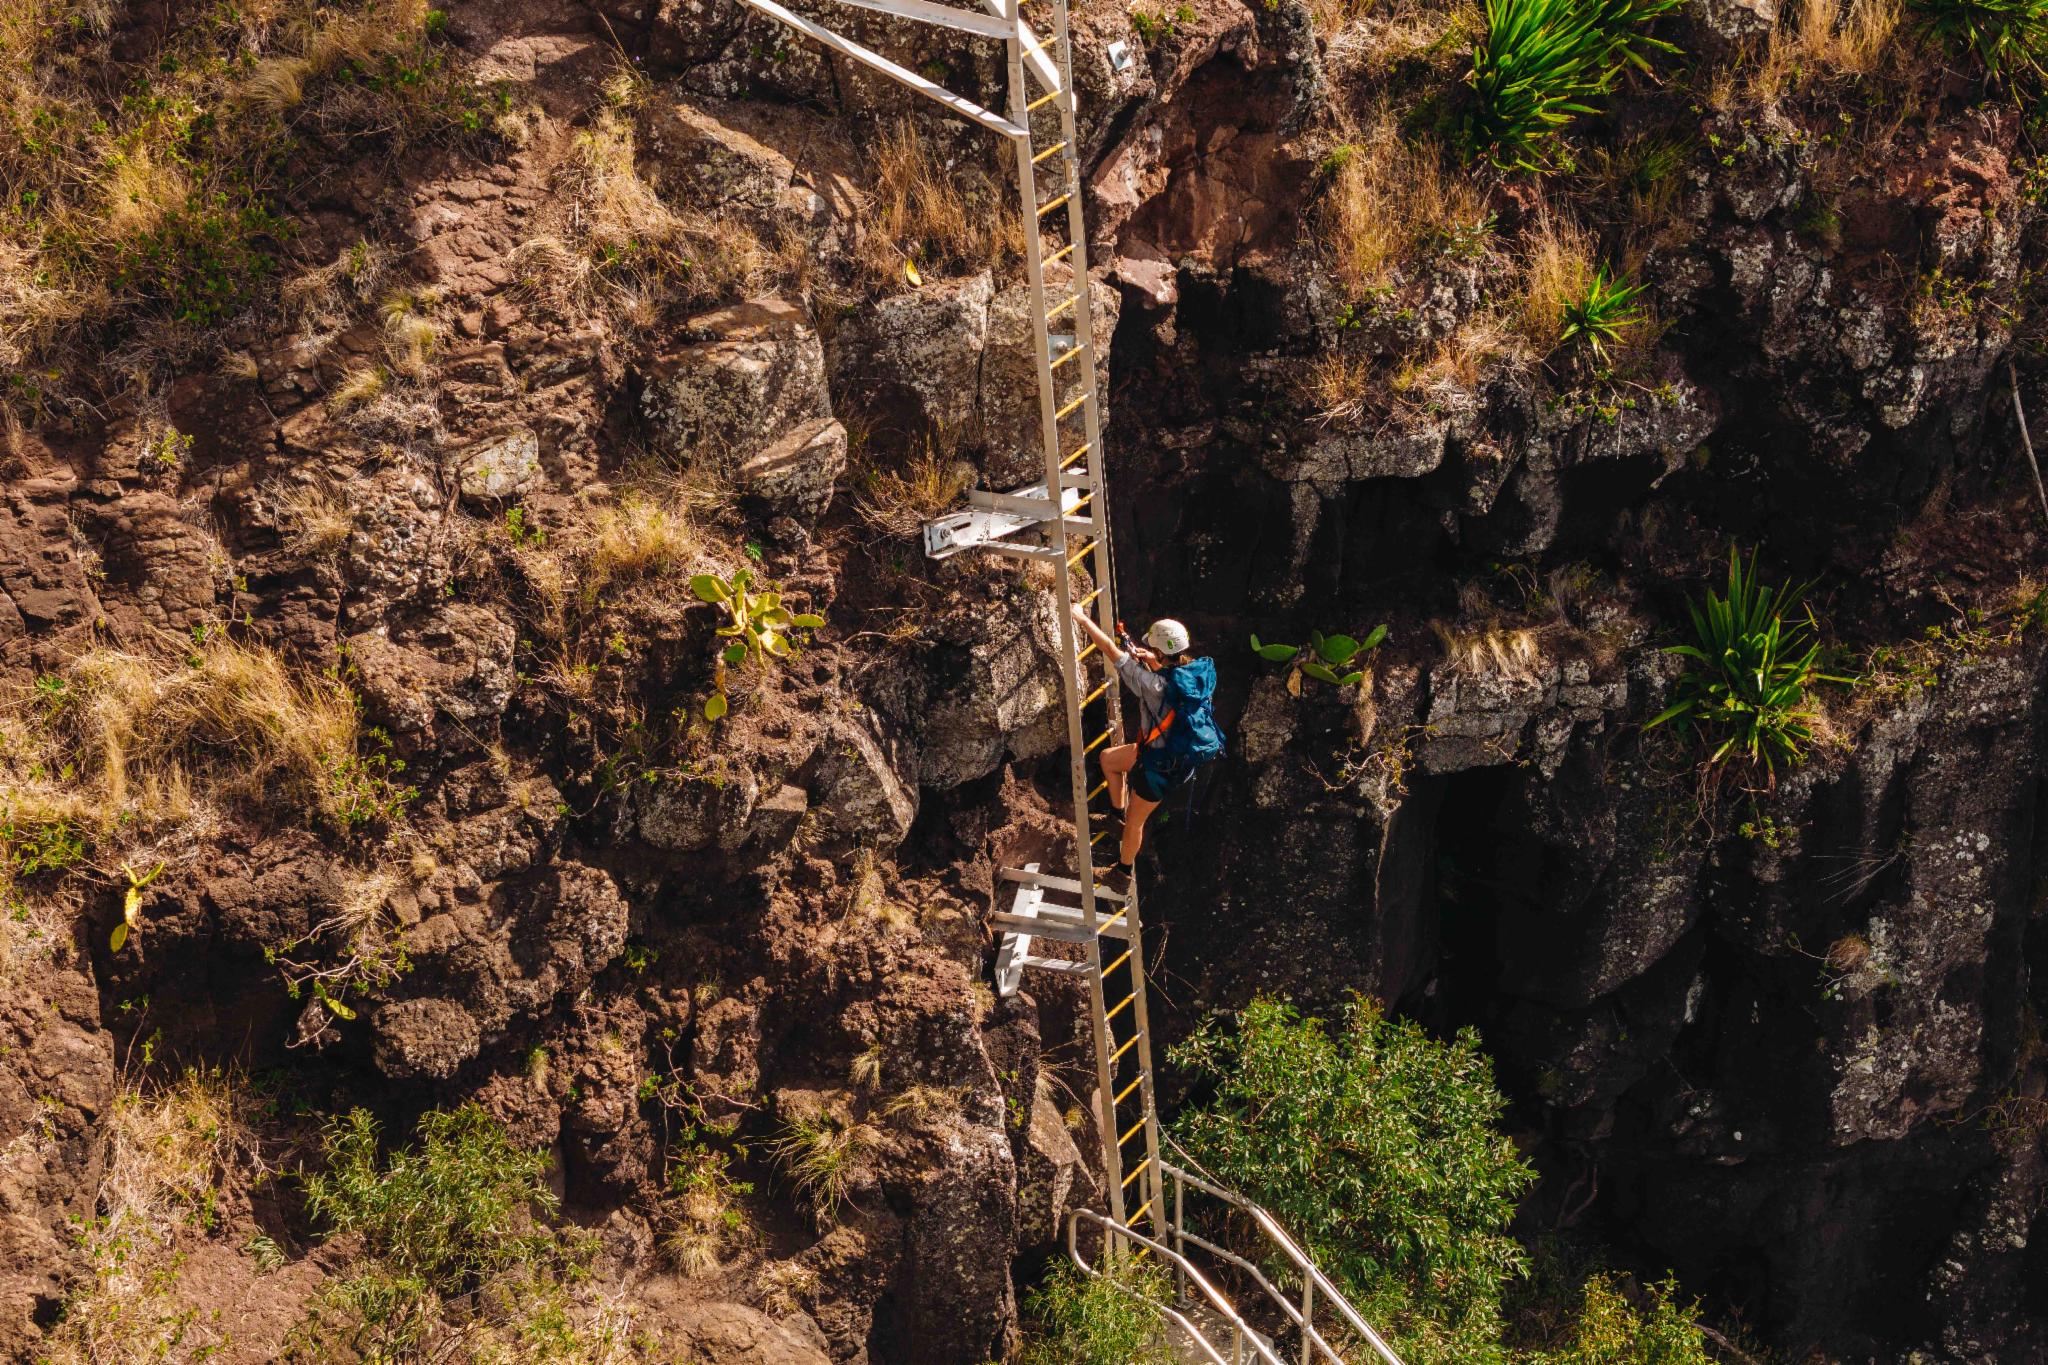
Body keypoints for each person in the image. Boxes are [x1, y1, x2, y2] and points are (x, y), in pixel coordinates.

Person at [1067, 604, 1224, 889]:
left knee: (1135, 823)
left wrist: (1080, 618)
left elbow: (1110, 650)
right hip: (1165, 754)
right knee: (1108, 759)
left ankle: (1122, 874)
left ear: (1162, 652)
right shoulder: (1194, 673)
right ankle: (1115, 817)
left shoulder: (1150, 685)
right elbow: (1170, 679)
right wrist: (1153, 659)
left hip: (1162, 769)